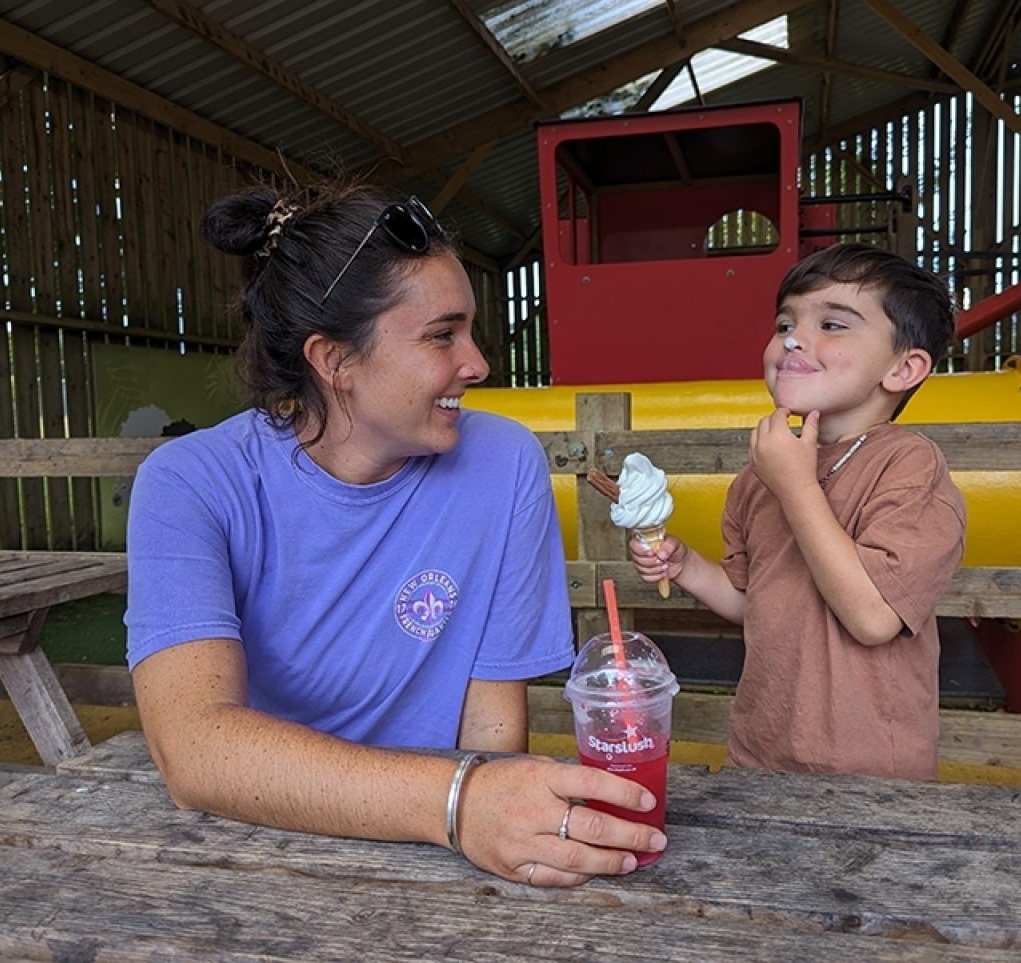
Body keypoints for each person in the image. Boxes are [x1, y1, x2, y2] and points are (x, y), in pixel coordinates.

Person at [125, 178, 666, 887]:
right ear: (334, 361)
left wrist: (475, 810)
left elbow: (492, 739)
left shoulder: (503, 464)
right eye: (443, 335)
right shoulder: (191, 482)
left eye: (468, 330)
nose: (477, 364)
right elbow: (195, 749)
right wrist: (458, 800)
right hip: (256, 849)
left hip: (437, 859)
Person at [629, 243, 967, 779]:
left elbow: (875, 617)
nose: (793, 338)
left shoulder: (908, 467)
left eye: (832, 324)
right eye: (785, 322)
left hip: (870, 769)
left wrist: (794, 484)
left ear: (904, 368)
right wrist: (686, 565)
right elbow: (752, 601)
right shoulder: (758, 477)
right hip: (760, 751)